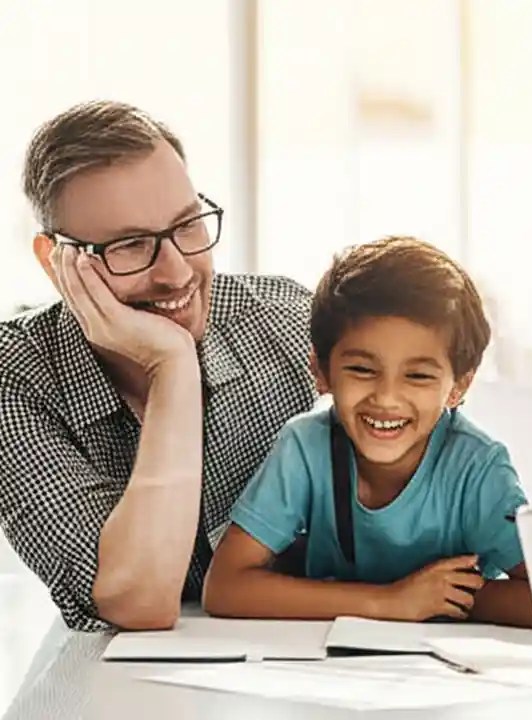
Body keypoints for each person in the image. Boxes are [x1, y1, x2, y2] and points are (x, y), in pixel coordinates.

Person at [0, 101, 316, 631]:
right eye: (130, 245)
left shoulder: (290, 324)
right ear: (54, 261)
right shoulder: (18, 376)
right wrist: (171, 366)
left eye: (188, 225)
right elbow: (137, 600)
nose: (175, 273)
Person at [203, 237, 532, 628]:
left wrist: (442, 598)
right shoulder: (305, 447)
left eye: (418, 376)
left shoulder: (478, 467)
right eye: (362, 370)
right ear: (322, 371)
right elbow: (224, 588)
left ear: (459, 385)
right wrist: (390, 601)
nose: (387, 398)